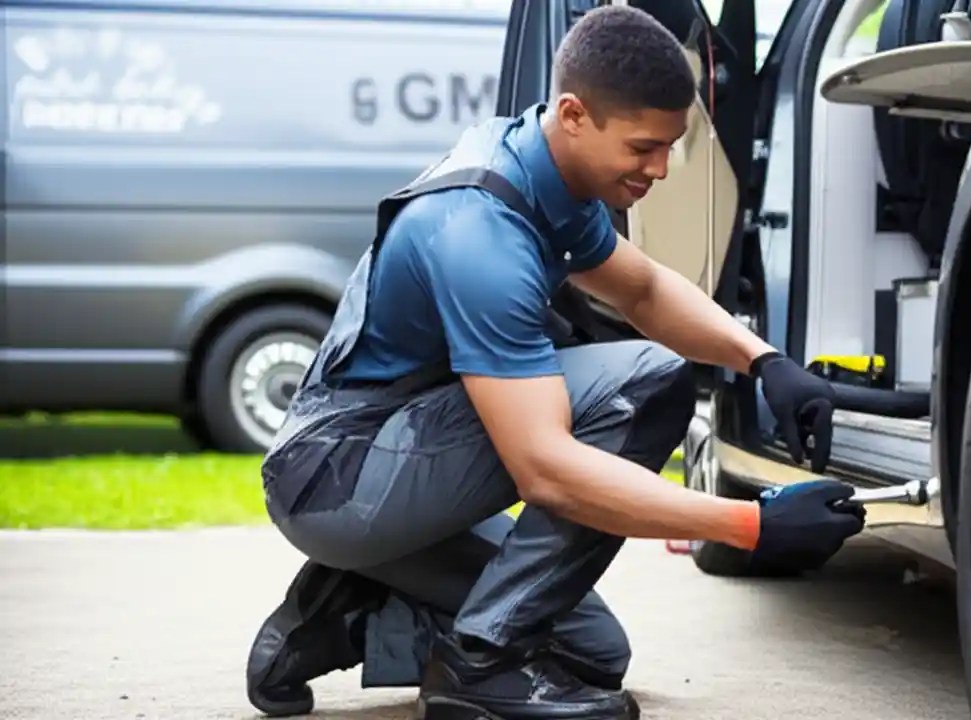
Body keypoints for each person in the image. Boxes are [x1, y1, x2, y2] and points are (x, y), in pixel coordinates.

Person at [243, 6, 867, 720]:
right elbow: (544, 466)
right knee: (648, 386)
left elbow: (644, 289)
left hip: (380, 470)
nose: (660, 169)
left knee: (590, 653)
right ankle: (477, 666)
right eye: (643, 147)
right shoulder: (482, 233)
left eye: (671, 146)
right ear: (574, 114)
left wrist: (763, 361)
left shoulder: (542, 172)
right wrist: (751, 526)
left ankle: (343, 610)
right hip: (341, 479)